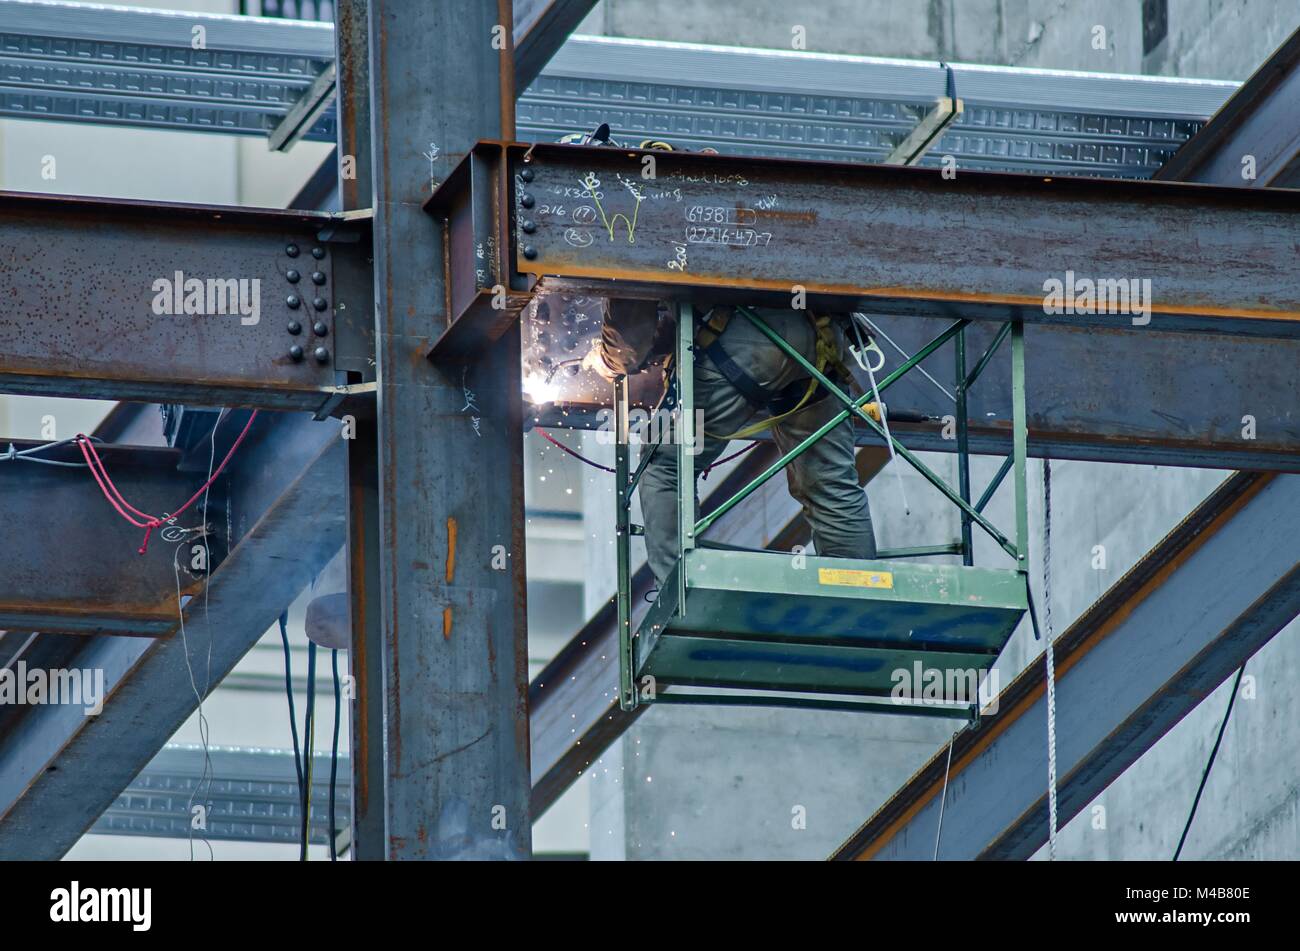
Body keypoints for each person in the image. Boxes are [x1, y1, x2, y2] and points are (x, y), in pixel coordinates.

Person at [583, 299, 877, 586]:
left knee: (666, 466)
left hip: (745, 340)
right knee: (830, 484)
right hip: (822, 338)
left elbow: (629, 345)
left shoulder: (637, 247)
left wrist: (606, 360)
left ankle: (680, 596)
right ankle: (857, 592)